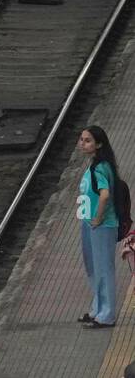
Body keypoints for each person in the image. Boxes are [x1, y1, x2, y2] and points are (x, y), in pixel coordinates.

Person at [78, 126, 120, 330]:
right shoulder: (93, 165)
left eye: (87, 140)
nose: (82, 143)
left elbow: (104, 195)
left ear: (99, 144)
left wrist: (98, 217)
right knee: (93, 267)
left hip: (101, 226)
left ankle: (107, 315)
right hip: (89, 224)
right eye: (82, 139)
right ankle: (97, 309)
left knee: (104, 269)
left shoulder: (100, 168)